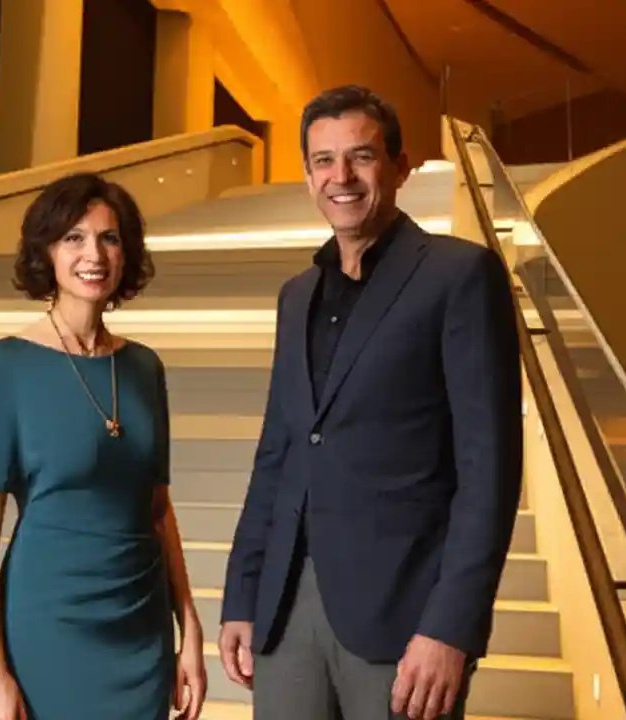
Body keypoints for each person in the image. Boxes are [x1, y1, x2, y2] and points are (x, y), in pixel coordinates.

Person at [218, 86, 523, 720]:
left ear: (400, 166)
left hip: (404, 616)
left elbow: (489, 470)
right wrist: (243, 595)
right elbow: (278, 452)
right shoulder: (296, 295)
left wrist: (452, 628)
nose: (341, 177)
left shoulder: (459, 275)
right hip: (285, 611)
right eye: (324, 161)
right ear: (307, 176)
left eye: (361, 156)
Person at [0, 172, 206, 720]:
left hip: (140, 626)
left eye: (109, 238)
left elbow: (159, 510)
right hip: (49, 624)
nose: (93, 254)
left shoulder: (144, 368)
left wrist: (188, 629)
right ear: (45, 251)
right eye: (73, 237)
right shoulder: (3, 366)